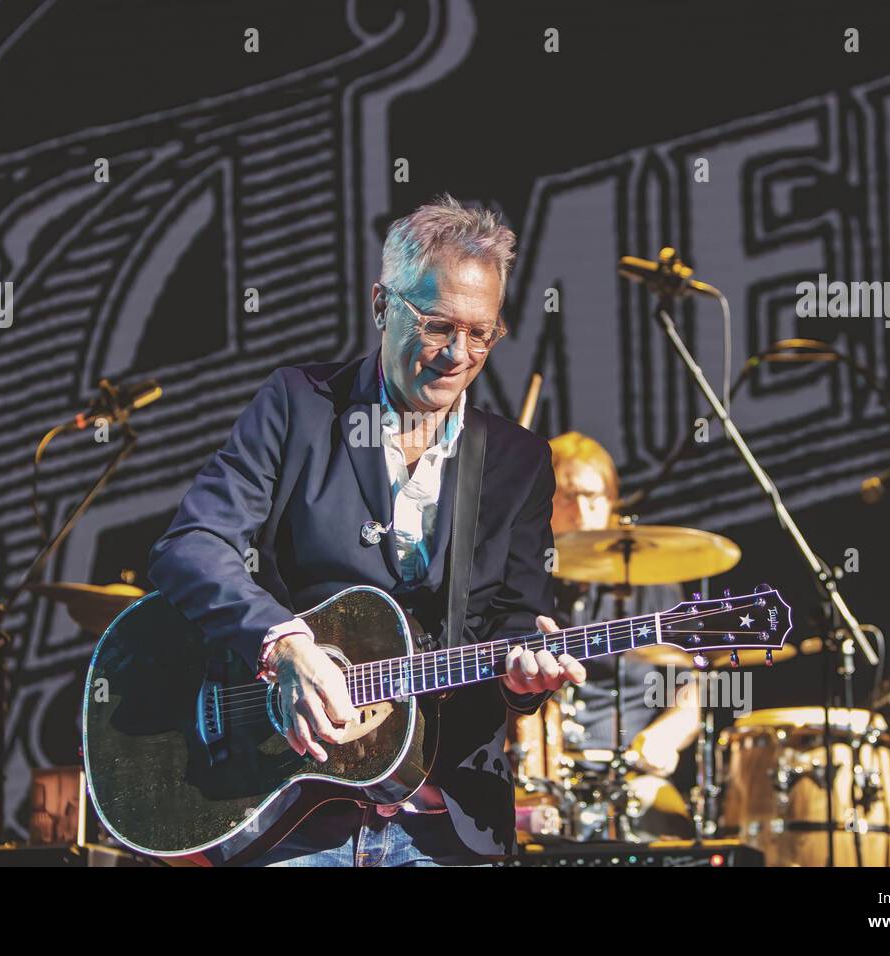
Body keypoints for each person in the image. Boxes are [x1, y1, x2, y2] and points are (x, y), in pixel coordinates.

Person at [148, 195, 585, 866]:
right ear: (383, 305)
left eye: (482, 334)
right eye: (439, 325)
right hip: (295, 807)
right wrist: (283, 645)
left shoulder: (518, 461)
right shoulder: (299, 404)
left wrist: (525, 674)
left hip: (445, 822)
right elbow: (193, 545)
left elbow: (515, 621)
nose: (458, 354)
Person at [548, 432, 699, 794]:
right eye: (568, 496)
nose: (582, 511)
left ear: (611, 502)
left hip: (631, 776)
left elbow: (688, 693)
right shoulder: (519, 583)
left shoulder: (652, 582)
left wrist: (664, 737)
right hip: (540, 776)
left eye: (593, 496)